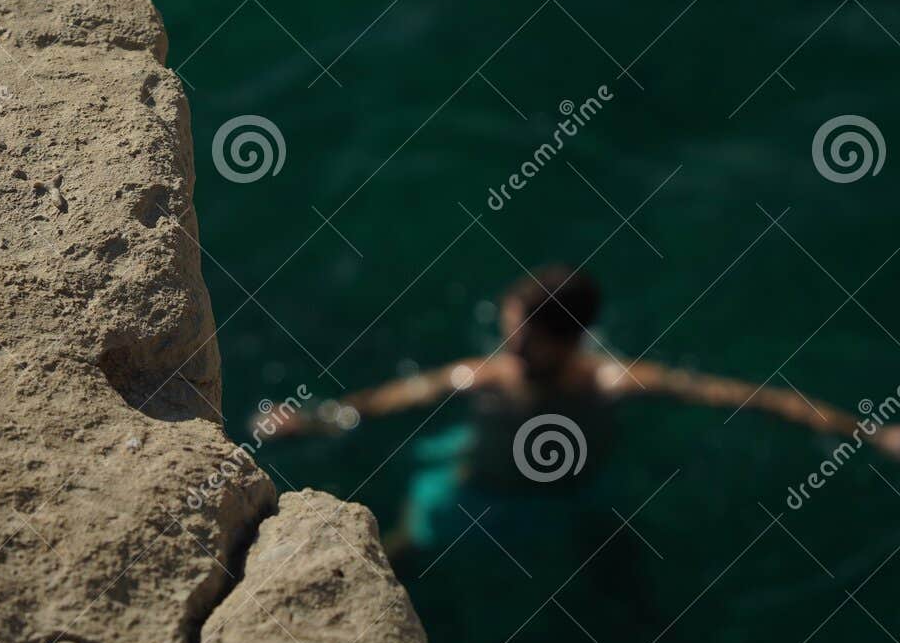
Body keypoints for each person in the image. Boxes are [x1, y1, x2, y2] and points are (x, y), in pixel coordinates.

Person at [269, 264, 900, 571]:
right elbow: (384, 402)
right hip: (471, 493)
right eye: (507, 332)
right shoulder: (488, 374)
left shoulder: (618, 382)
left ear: (566, 340)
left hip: (579, 493)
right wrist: (313, 422)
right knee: (396, 554)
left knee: (613, 571)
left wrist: (869, 431)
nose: (507, 347)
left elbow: (753, 397)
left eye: (519, 337)